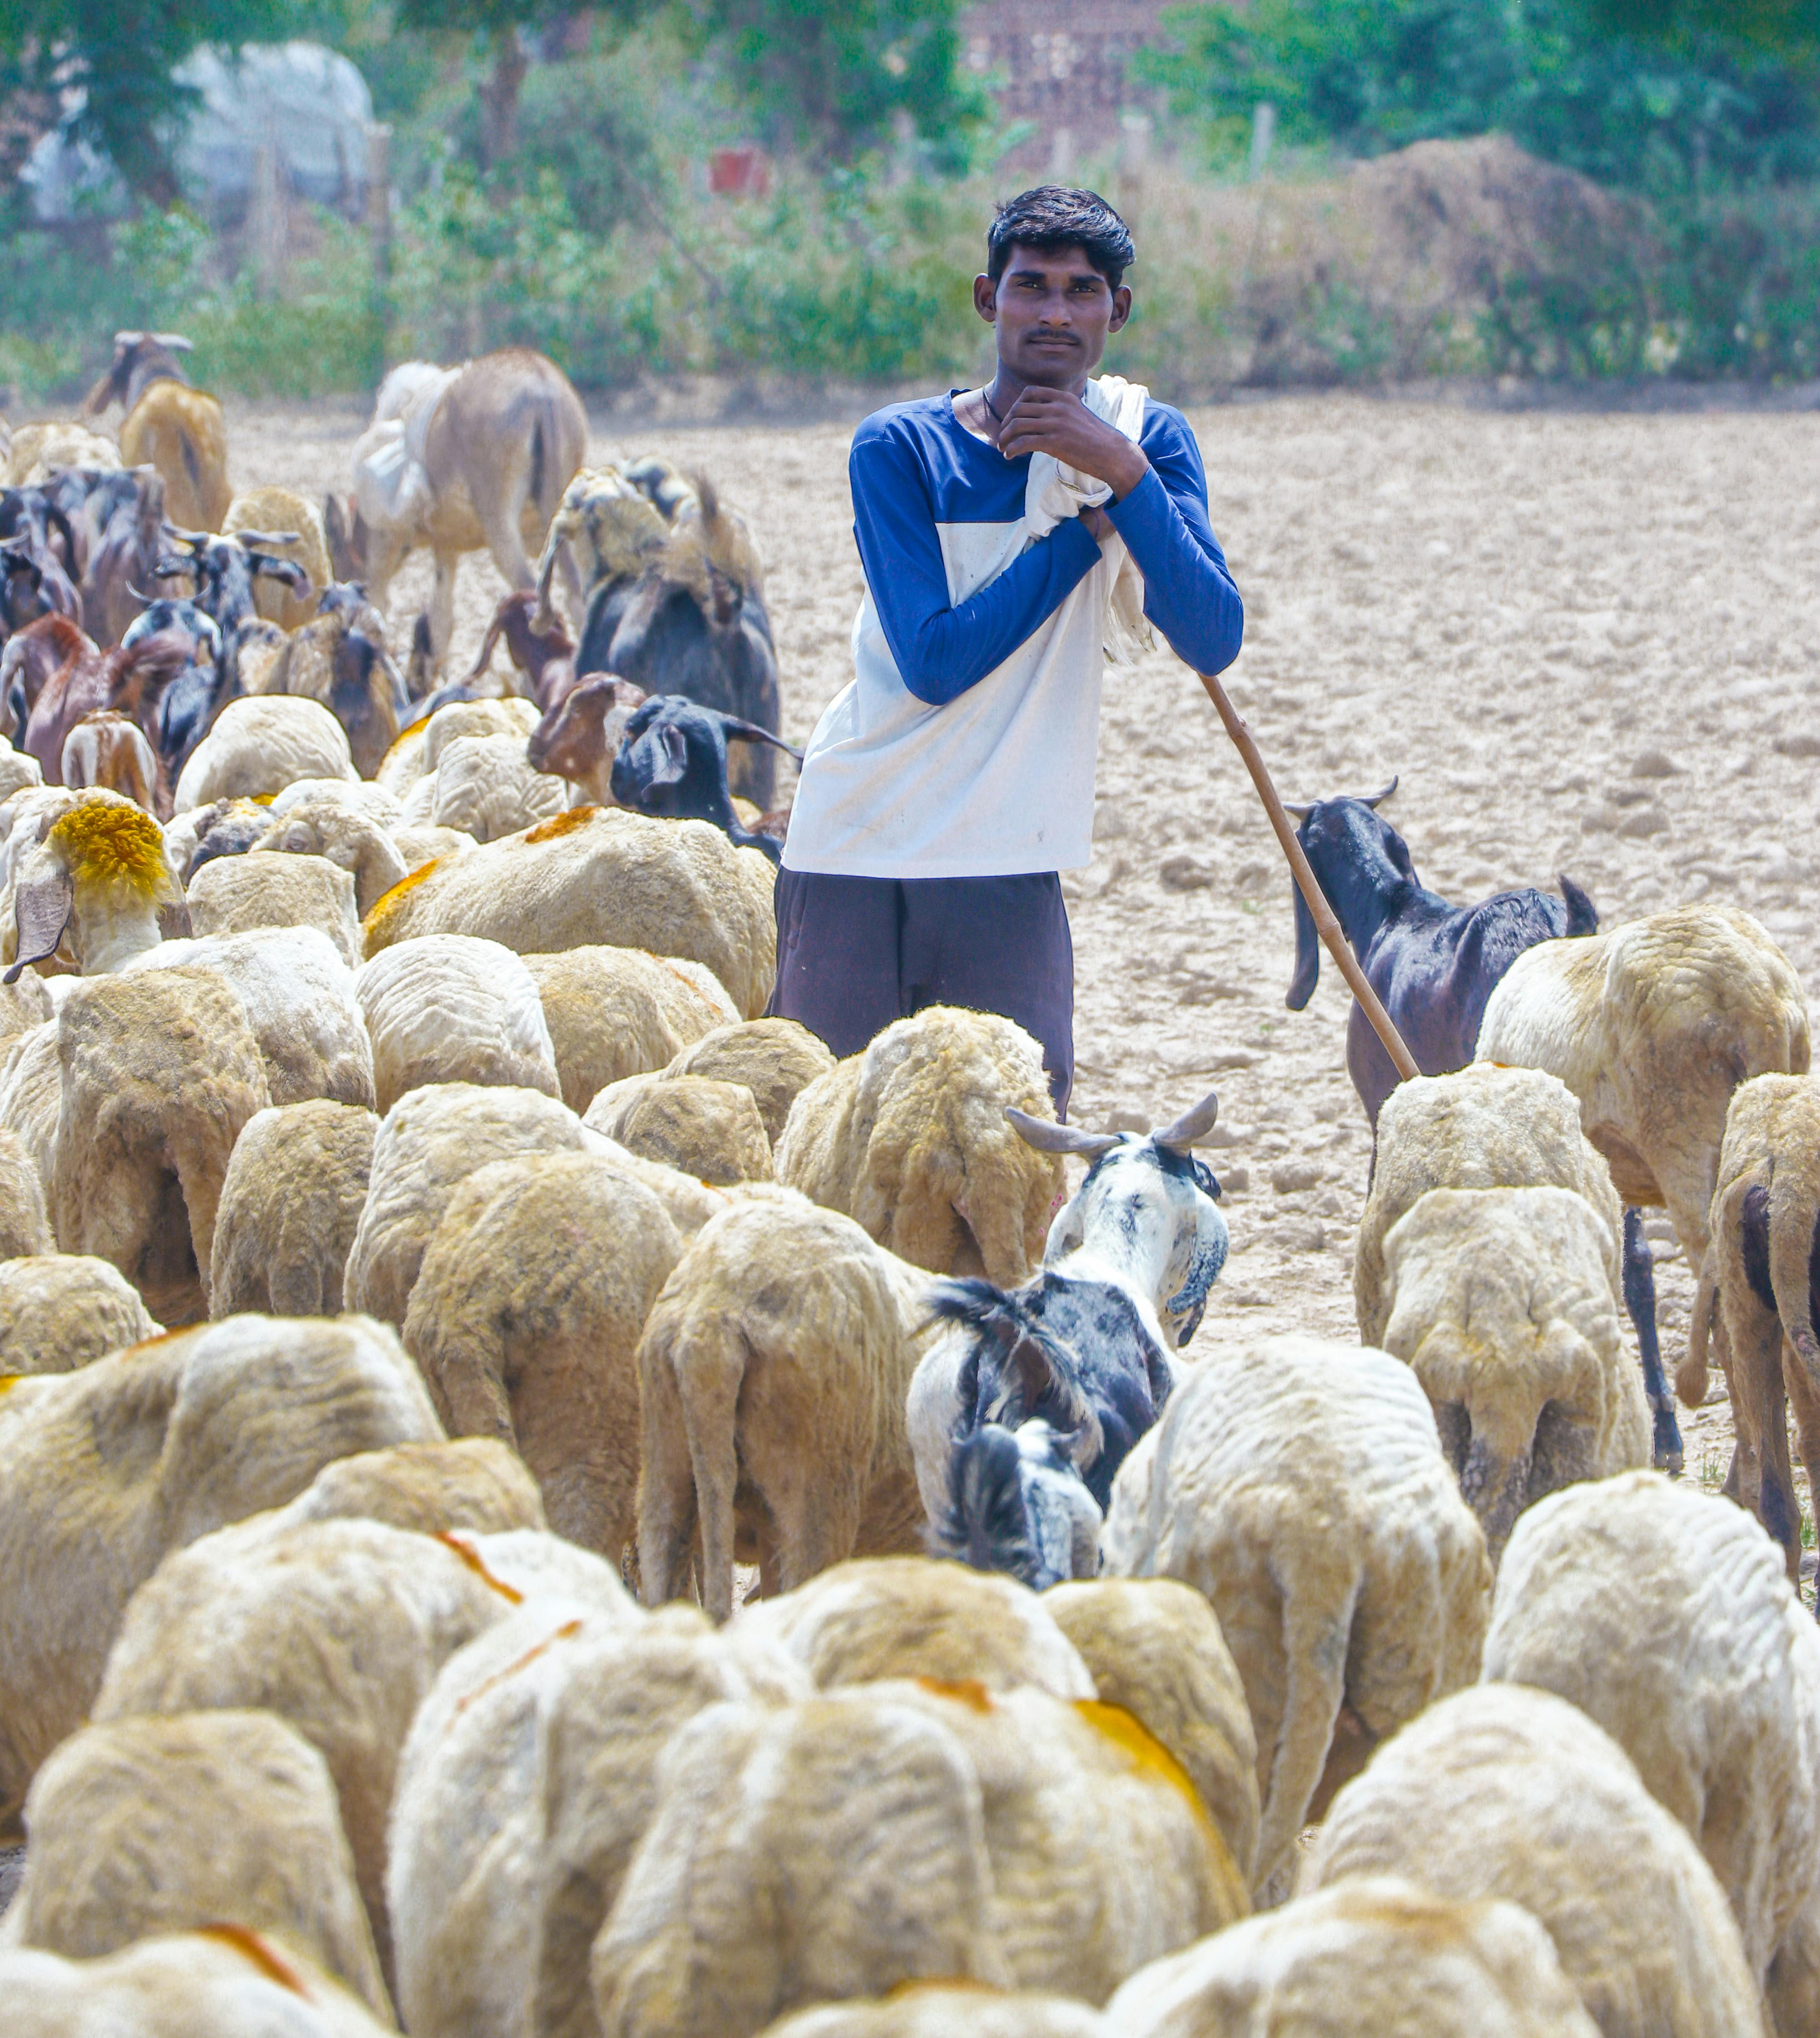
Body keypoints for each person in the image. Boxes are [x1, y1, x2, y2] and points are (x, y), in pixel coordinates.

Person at [770, 184, 1244, 1115]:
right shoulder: (898, 447)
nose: (1056, 313)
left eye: (1081, 290)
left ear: (1119, 310)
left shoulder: (1147, 442)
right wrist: (1081, 532)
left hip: (1007, 854)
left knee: (1013, 1148)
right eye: (1031, 287)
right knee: (833, 1136)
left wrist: (1122, 475)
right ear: (987, 300)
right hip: (856, 840)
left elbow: (1211, 635)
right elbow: (936, 663)